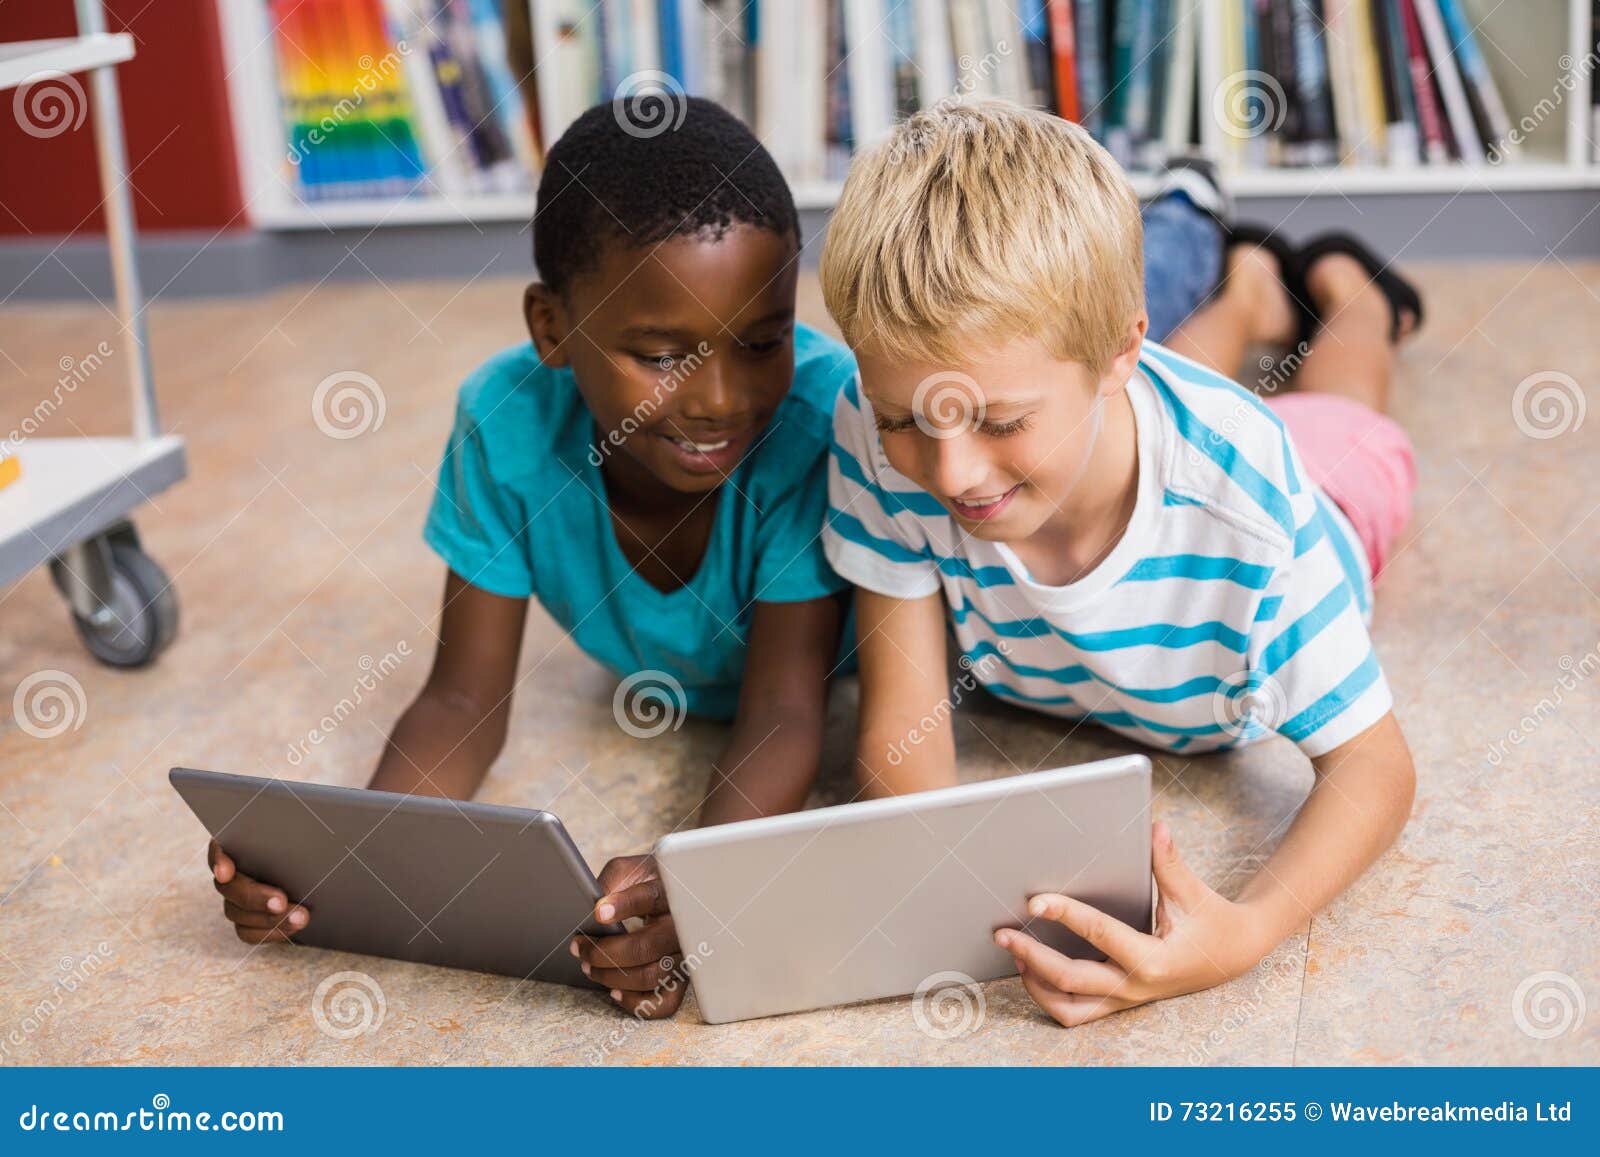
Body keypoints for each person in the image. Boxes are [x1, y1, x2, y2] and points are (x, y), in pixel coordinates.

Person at [199, 95, 1239, 1021]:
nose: (720, 400)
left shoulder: (820, 419)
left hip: (1081, 346)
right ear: (551, 327)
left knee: (1139, 345)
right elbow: (462, 698)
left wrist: (692, 883)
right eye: (662, 356)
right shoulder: (501, 424)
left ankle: (1208, 231)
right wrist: (353, 864)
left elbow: (785, 707)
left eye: (761, 341)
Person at [819, 99, 1421, 1027]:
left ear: (1118, 350)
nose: (952, 474)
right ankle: (1248, 289)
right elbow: (902, 734)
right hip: (1140, 421)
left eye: (1002, 422)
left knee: (1344, 412)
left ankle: (1354, 294)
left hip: (1324, 499)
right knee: (1145, 394)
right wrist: (946, 901)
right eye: (905, 419)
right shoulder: (876, 430)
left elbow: (1375, 767)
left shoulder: (1249, 496)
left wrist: (1244, 932)